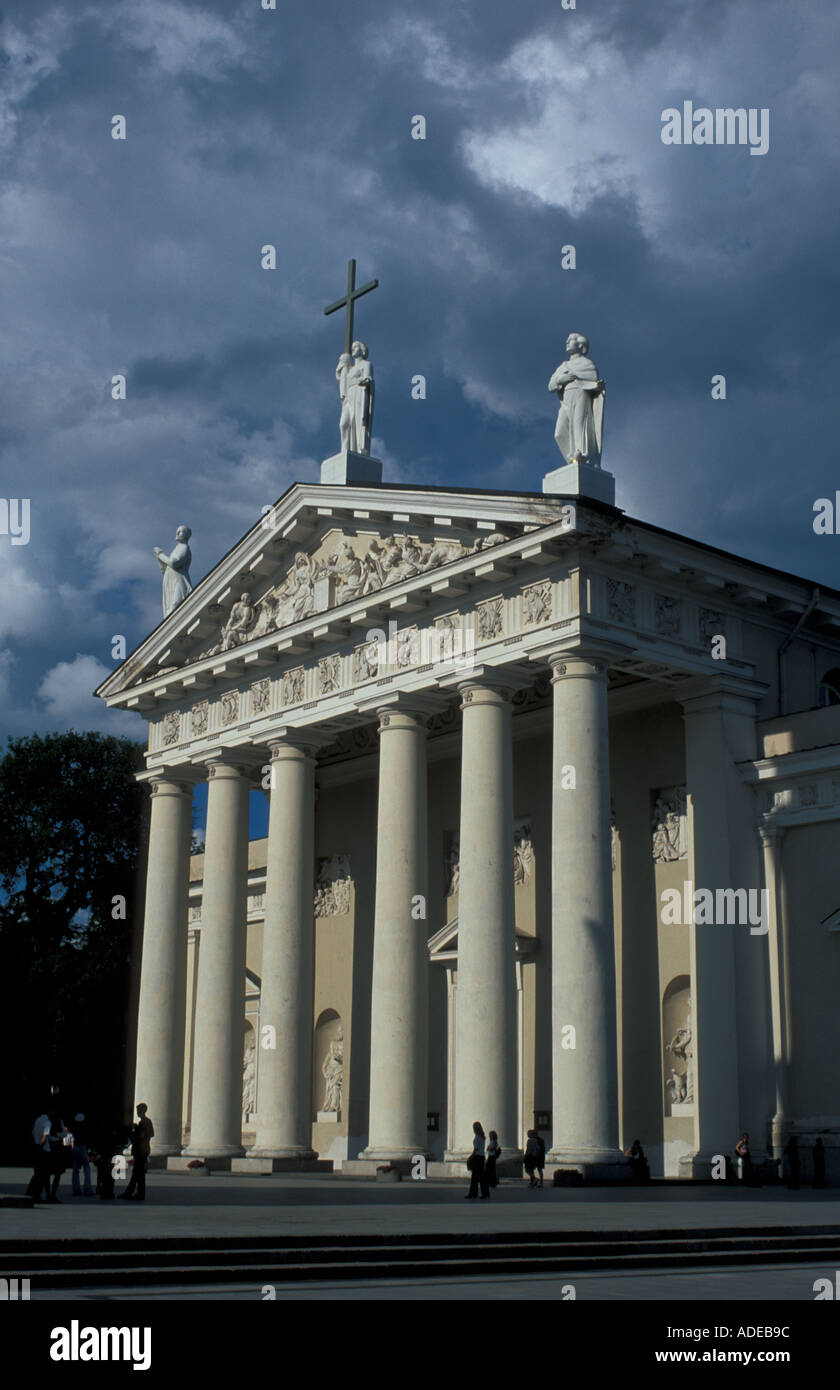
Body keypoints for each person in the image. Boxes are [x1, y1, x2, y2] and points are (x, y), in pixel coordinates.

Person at [120, 1103, 154, 1201]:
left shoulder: (144, 1122)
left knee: (138, 1173)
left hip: (141, 1150)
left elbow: (140, 1137)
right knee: (138, 1173)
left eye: (138, 1110)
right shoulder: (147, 1122)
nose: (137, 1112)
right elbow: (151, 1134)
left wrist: (134, 1133)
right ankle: (133, 1193)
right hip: (144, 1149)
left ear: (142, 1111)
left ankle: (137, 1194)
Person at [25, 1108, 55, 1202]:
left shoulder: (37, 1120)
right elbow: (45, 1135)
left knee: (37, 1174)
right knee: (43, 1176)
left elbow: (33, 1132)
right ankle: (37, 1195)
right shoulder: (47, 1122)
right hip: (44, 1151)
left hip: (36, 1150)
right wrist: (40, 1145)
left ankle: (30, 1193)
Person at [71, 1113, 95, 1196]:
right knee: (87, 1169)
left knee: (75, 1170)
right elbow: (88, 1139)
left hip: (75, 1147)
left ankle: (76, 1189)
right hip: (83, 1147)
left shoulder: (72, 1129)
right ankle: (87, 1189)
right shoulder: (85, 1128)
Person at [465, 1121, 489, 1199]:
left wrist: (471, 1156)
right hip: (482, 1157)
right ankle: (485, 1193)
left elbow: (476, 1149)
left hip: (477, 1157)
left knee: (474, 1177)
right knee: (482, 1177)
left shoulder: (477, 1137)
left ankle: (473, 1193)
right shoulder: (482, 1137)